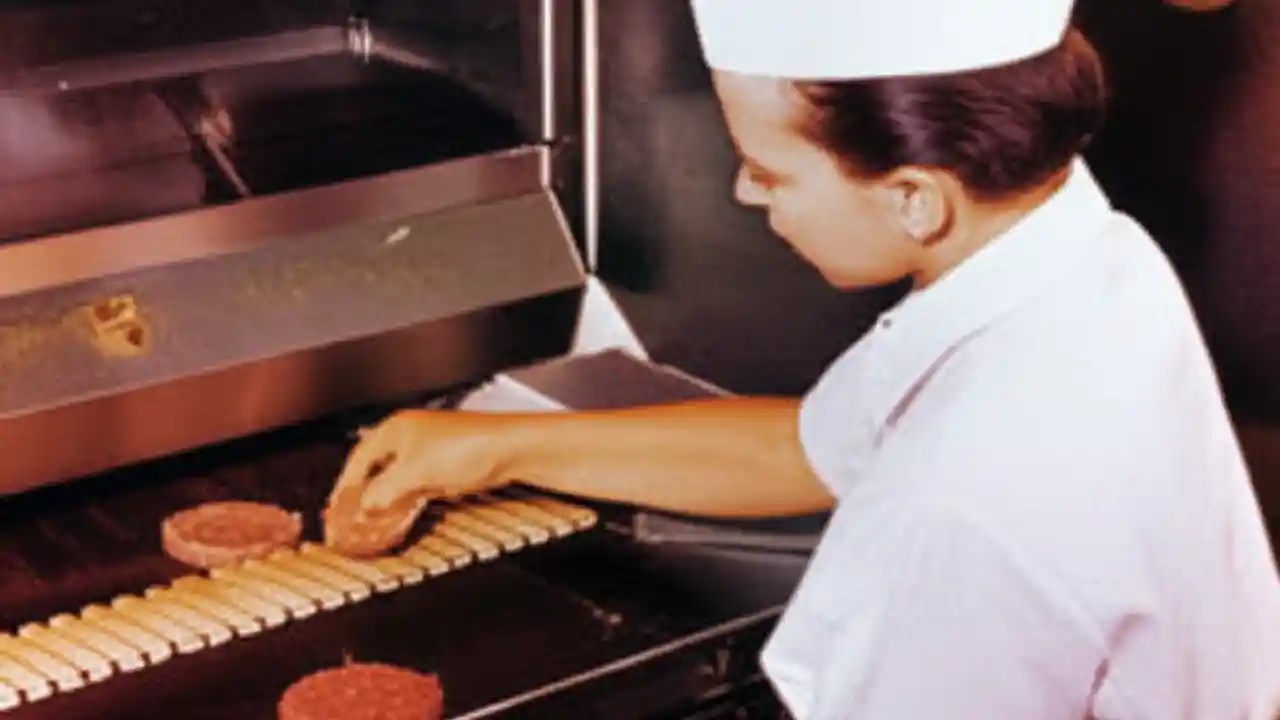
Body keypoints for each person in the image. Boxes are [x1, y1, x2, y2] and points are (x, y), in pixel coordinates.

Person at [325, 0, 1280, 717]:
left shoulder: (962, 506)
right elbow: (813, 447)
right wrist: (488, 449)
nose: (745, 192)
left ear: (914, 197)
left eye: (773, 170)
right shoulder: (1074, 254)